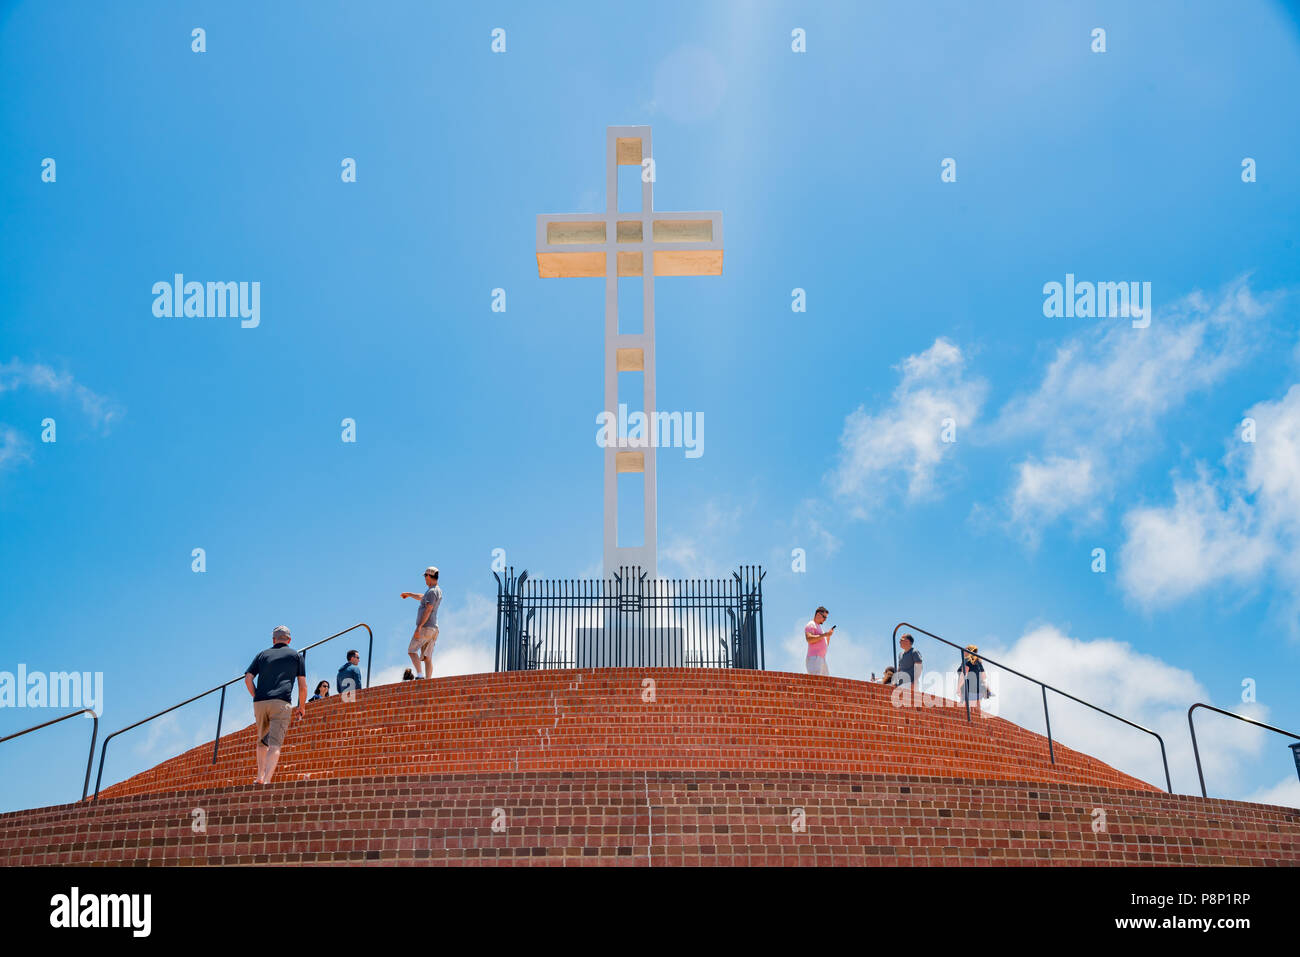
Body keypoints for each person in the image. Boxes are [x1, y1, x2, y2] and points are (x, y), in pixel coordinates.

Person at [243, 625, 307, 785]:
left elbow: (248, 678)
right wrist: (302, 706)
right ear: (289, 640)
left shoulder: (262, 655)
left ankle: (259, 777)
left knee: (261, 741)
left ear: (273, 640)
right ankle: (267, 780)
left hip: (260, 702)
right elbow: (302, 685)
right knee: (275, 743)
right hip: (281, 701)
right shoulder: (296, 656)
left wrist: (256, 695)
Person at [401, 566, 442, 679]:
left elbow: (428, 609)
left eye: (425, 576)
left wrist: (419, 627)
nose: (425, 579)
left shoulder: (432, 592)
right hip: (434, 629)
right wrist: (409, 594)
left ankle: (420, 675)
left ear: (428, 576)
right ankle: (428, 681)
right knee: (427, 657)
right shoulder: (436, 590)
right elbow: (422, 597)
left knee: (411, 650)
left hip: (426, 627)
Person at [804, 606, 835, 676]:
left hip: (821, 659)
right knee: (817, 682)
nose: (825, 619)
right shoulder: (811, 624)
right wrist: (824, 635)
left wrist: (828, 636)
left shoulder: (819, 627)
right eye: (824, 617)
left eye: (826, 618)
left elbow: (825, 645)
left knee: (825, 682)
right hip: (814, 658)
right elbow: (809, 639)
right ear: (818, 614)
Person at [958, 644, 985, 715]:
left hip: (969, 684)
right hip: (979, 685)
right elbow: (983, 676)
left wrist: (959, 687)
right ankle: (977, 722)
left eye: (965, 650)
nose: (963, 652)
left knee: (968, 707)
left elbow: (964, 674)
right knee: (977, 706)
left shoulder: (967, 660)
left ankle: (969, 721)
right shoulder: (978, 661)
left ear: (969, 651)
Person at [896, 633, 923, 704]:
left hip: (911, 684)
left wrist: (914, 682)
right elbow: (899, 668)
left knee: (912, 704)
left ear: (907, 641)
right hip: (902, 684)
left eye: (901, 640)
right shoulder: (900, 654)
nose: (899, 642)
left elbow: (919, 668)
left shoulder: (914, 652)